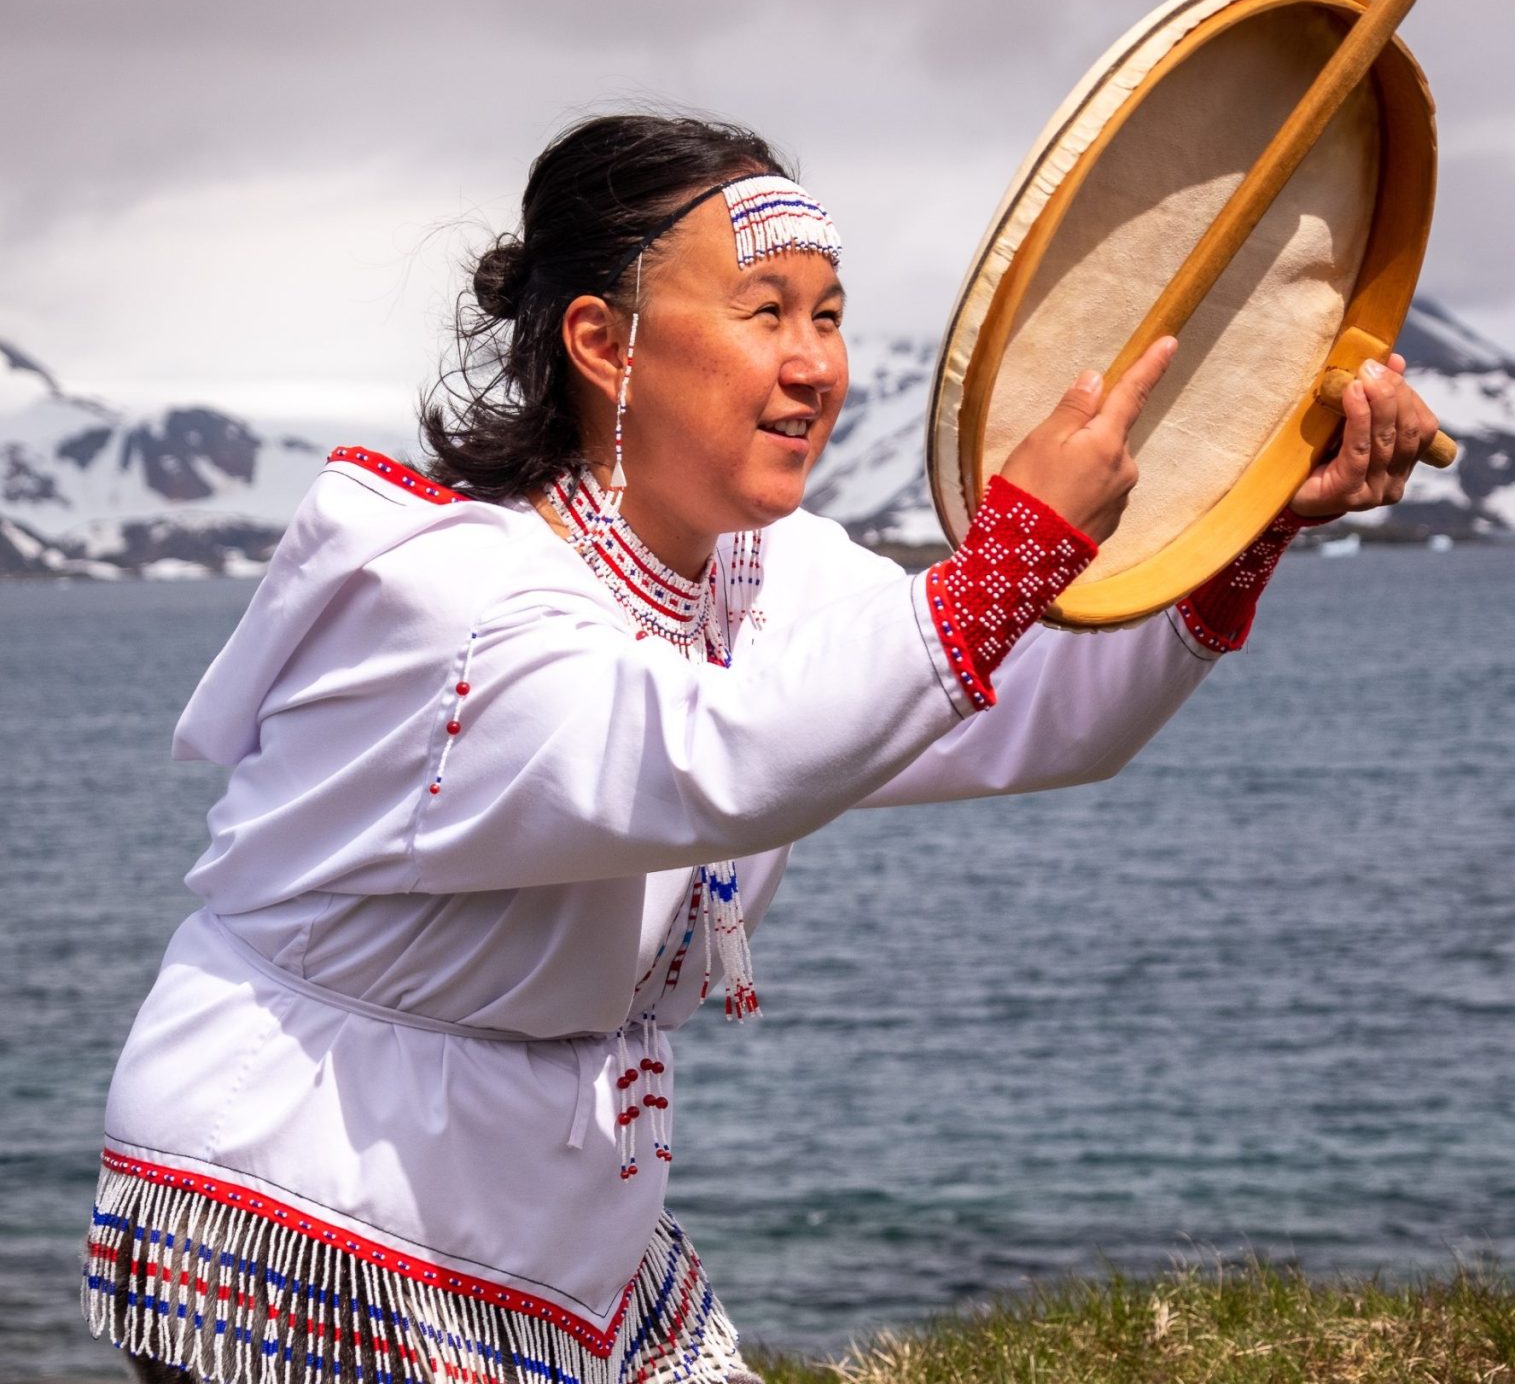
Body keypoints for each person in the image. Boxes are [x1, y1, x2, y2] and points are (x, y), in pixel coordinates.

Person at [82, 113, 1437, 1384]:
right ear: (604, 344)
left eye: (831, 315)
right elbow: (695, 755)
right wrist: (1011, 554)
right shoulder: (443, 594)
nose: (816, 363)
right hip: (305, 1184)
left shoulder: (760, 573)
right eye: (766, 314)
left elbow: (1028, 708)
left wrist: (1251, 526)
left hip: (541, 1204)